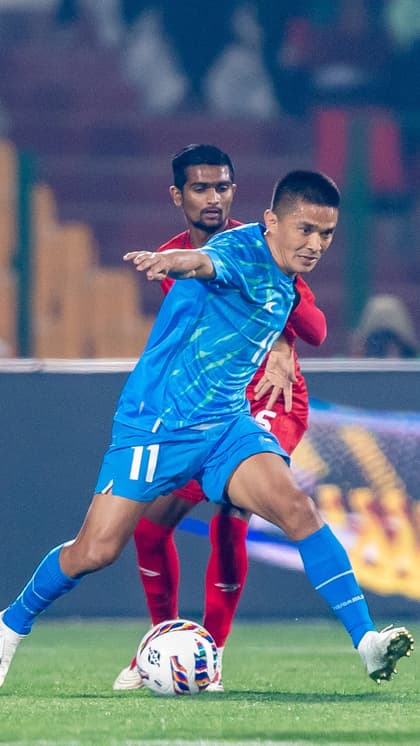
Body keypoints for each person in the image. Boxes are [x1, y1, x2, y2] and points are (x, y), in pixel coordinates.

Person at [0, 170, 414, 690]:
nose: (315, 244)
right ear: (271, 221)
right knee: (96, 550)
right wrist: (171, 261)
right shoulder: (239, 252)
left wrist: (283, 347)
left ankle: (366, 641)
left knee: (297, 509)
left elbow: (290, 317)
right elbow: (203, 262)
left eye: (326, 234)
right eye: (306, 230)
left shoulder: (287, 273)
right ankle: (10, 626)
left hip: (225, 426)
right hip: (157, 425)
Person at [112, 144, 327, 692]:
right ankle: (162, 645)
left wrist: (284, 344)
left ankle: (213, 654)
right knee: (149, 528)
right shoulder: (170, 259)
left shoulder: (263, 242)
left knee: (231, 518)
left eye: (224, 187)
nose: (214, 198)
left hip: (268, 400)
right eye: (201, 188)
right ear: (177, 196)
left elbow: (310, 321)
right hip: (204, 409)